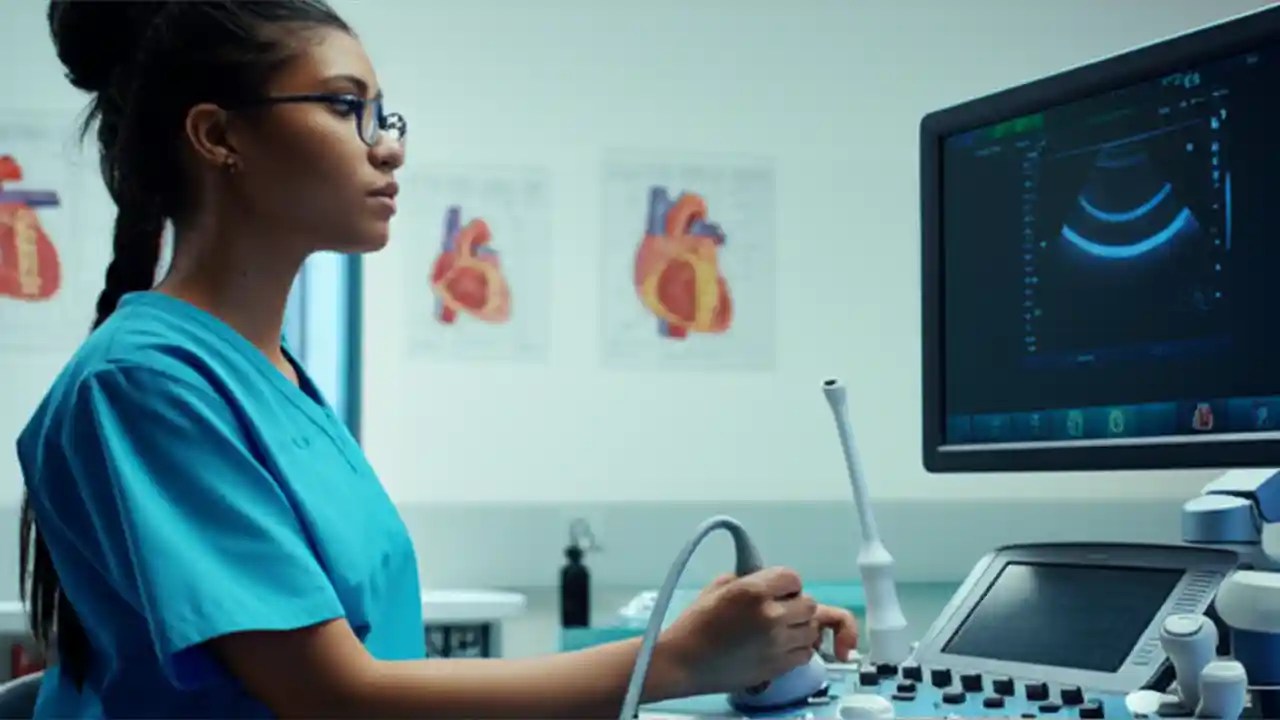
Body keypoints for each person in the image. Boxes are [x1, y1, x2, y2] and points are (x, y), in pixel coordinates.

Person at [15, 1, 859, 717]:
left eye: (384, 114)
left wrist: (737, 641)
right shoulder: (144, 384)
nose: (388, 146)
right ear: (217, 135)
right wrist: (674, 661)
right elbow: (332, 698)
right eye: (347, 107)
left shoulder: (272, 377)